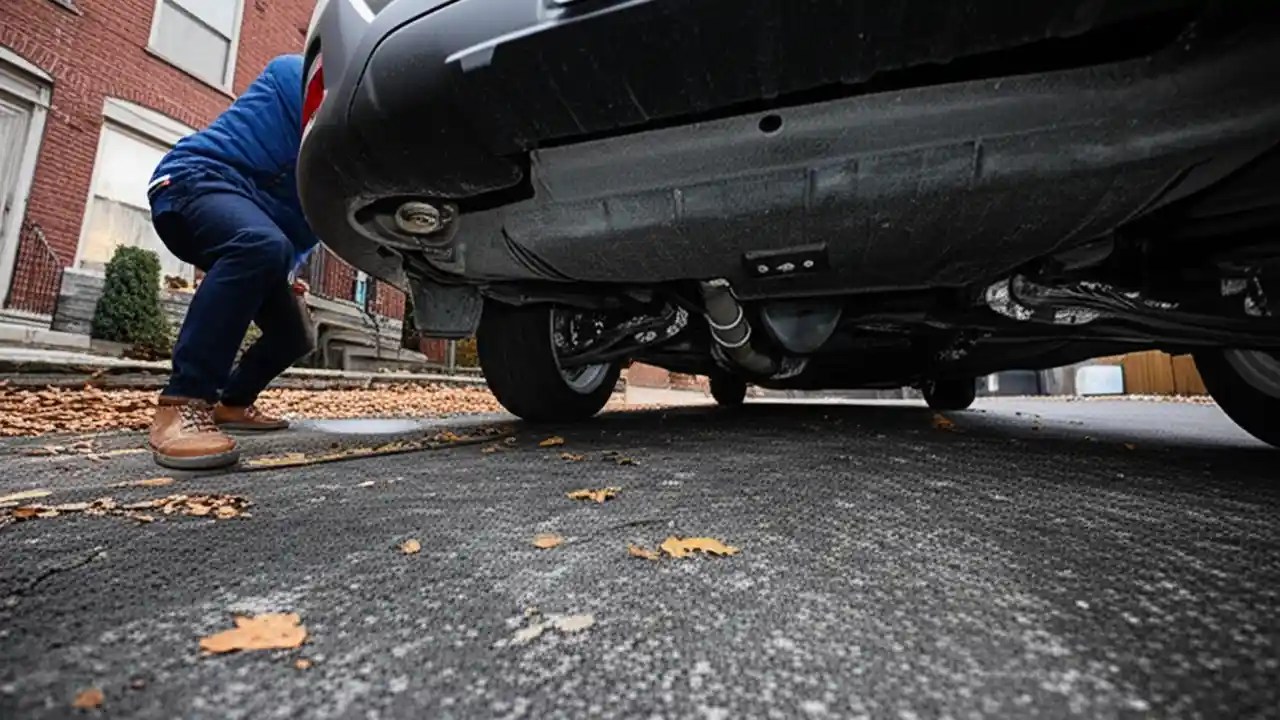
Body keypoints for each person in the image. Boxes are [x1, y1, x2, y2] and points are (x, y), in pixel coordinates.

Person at [145, 54, 318, 470]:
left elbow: (304, 228)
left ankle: (234, 403)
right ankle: (182, 402)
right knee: (261, 245)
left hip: (259, 230)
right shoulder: (300, 75)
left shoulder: (338, 179)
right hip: (196, 180)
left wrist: (290, 270)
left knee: (296, 334)